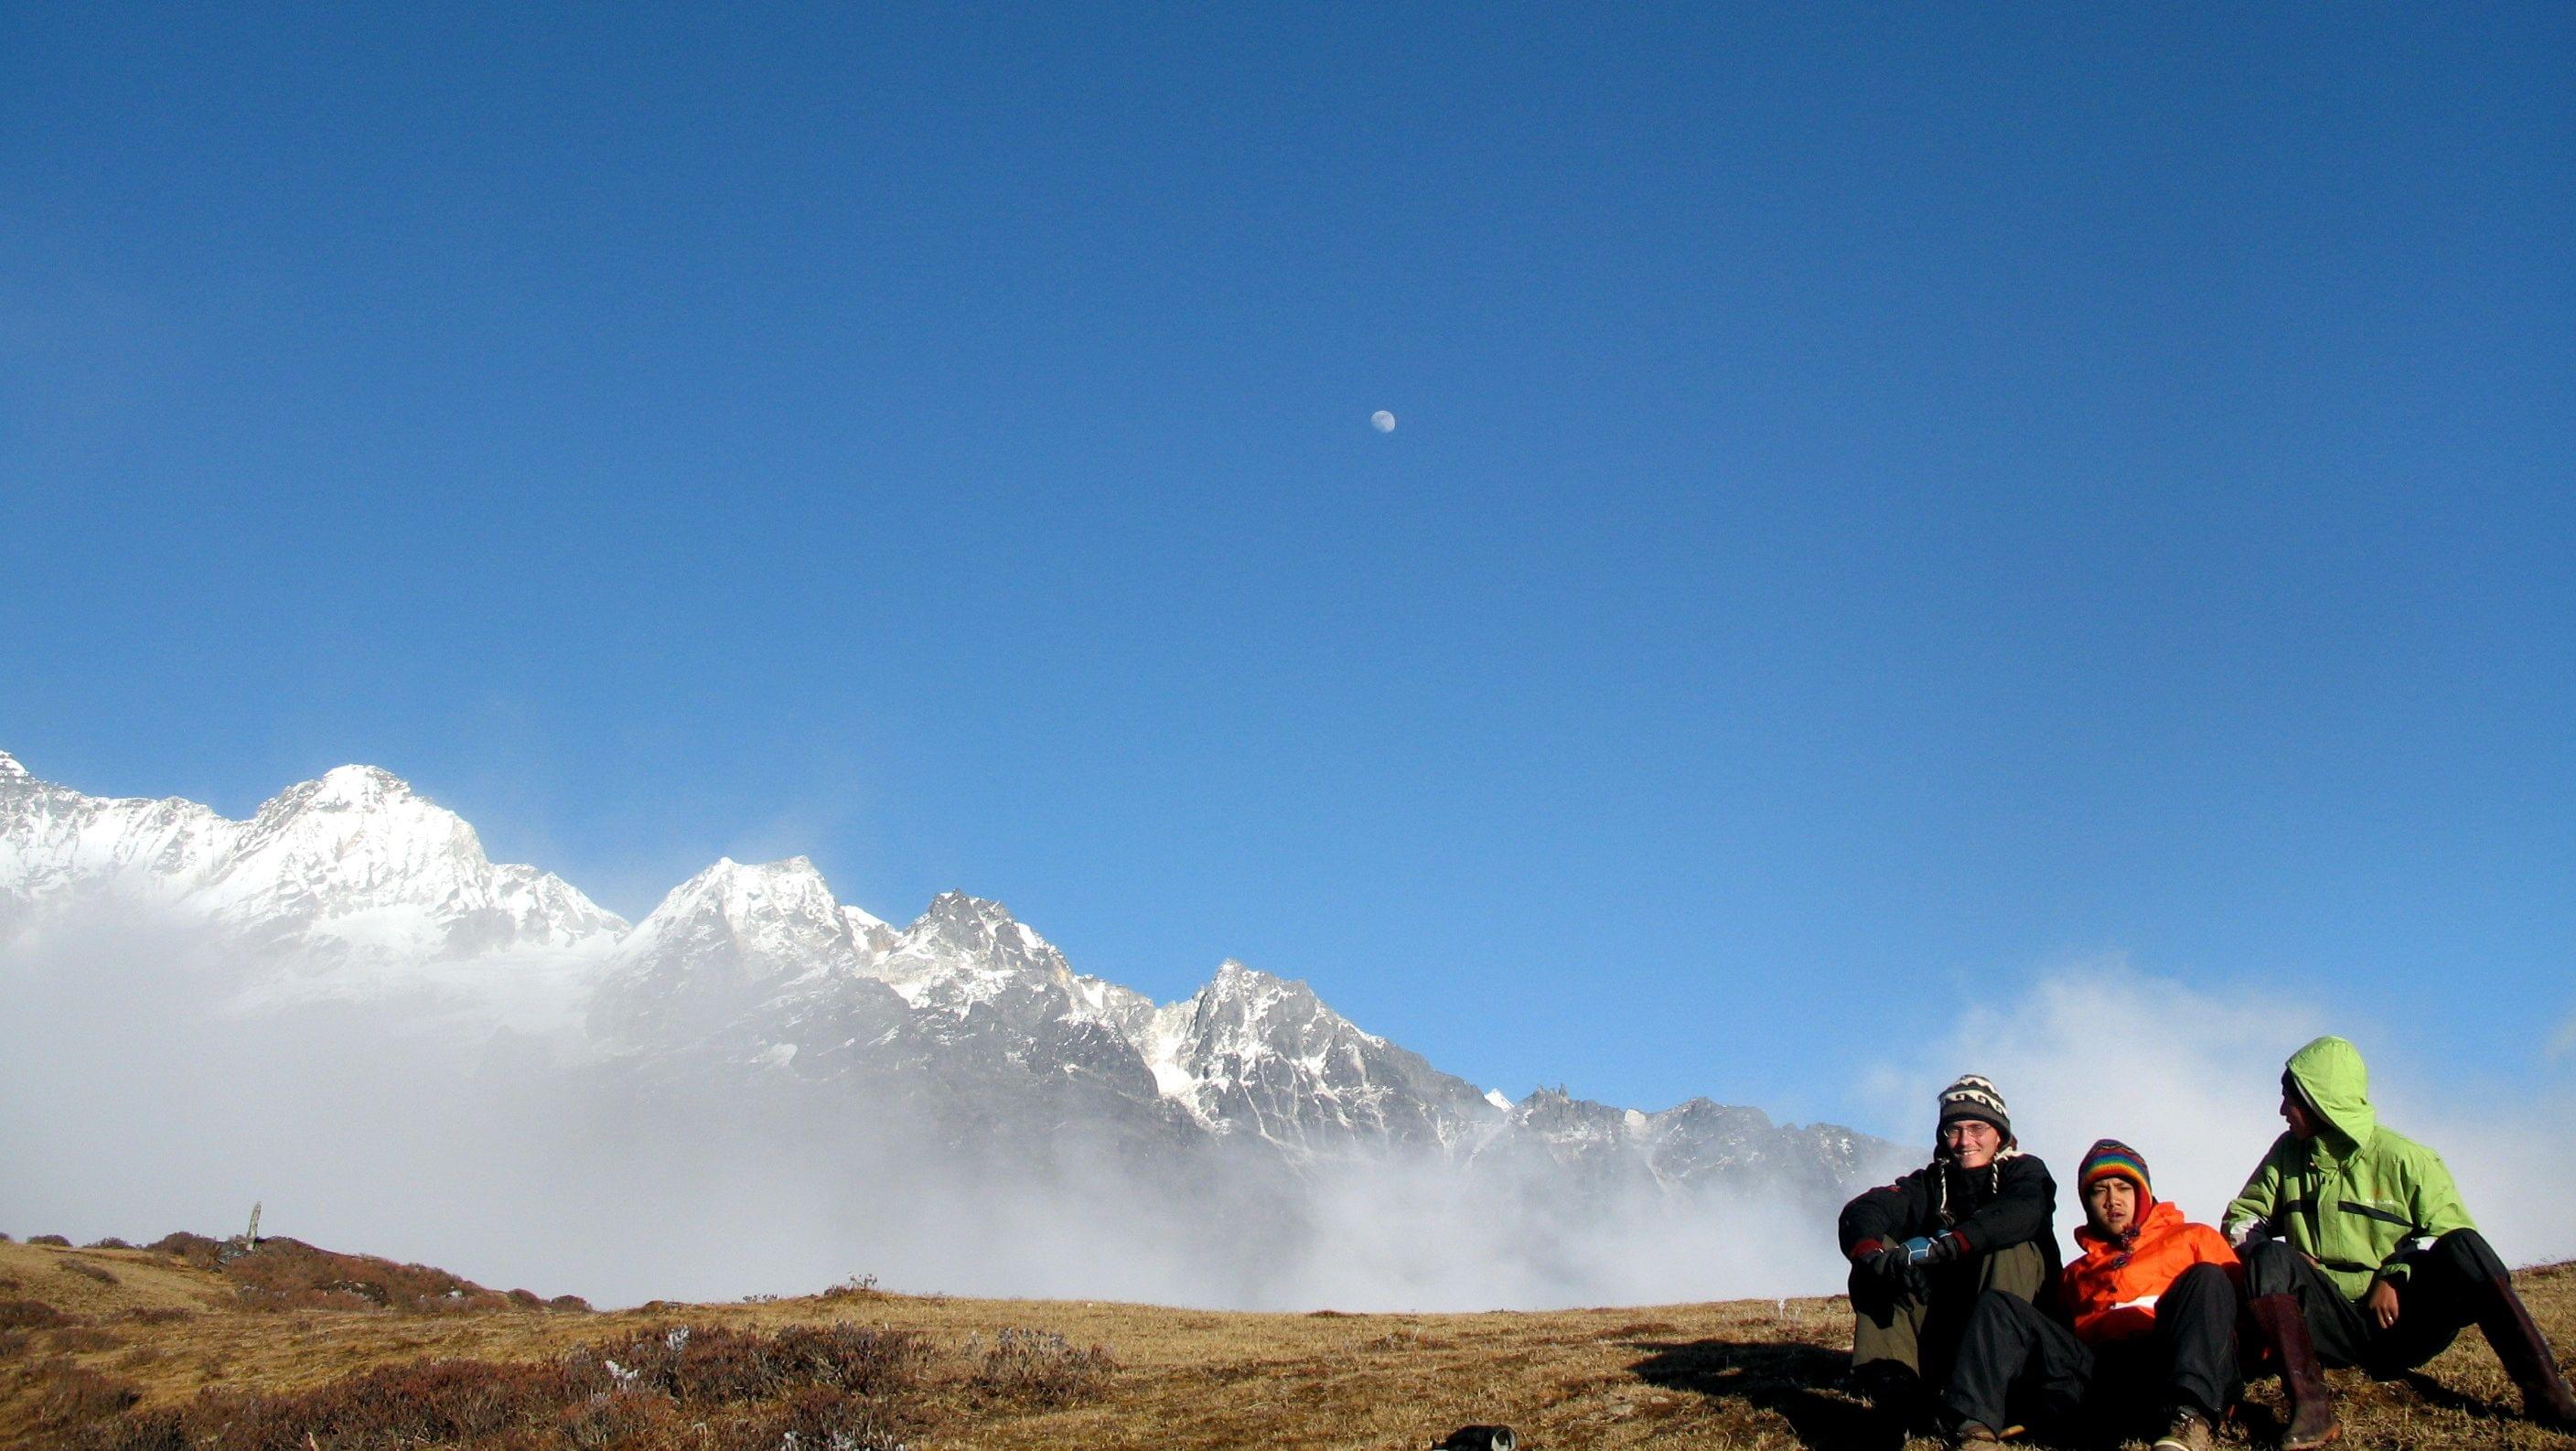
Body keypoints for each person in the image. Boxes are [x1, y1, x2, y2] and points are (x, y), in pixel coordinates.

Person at [2226, 1035, 2576, 1447]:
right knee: (2268, 1256)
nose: (2283, 1111)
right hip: (2329, 1323)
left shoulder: (2406, 1158)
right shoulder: (2287, 1154)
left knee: (2467, 1246)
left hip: (2405, 1321)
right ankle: (2312, 1409)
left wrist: (2395, 1272)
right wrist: (2284, 1254)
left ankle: (2548, 1394)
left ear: (2322, 1101)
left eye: (2292, 1099)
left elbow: (2448, 1232)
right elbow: (2241, 1219)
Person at [1941, 1139, 2241, 1450]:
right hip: (2101, 1380)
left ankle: (2190, 1421)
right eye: (2099, 1191)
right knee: (1998, 1306)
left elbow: (2229, 1308)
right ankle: (1975, 1431)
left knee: (2207, 1276)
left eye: (2123, 1187)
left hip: (2169, 1366)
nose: (2112, 1200)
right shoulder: (2076, 1272)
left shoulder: (2194, 1237)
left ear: (2142, 1193)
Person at [1839, 1074, 2059, 1439]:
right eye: (1954, 1130)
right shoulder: (1929, 1183)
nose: (1964, 1141)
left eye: (1977, 1128)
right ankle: (1896, 1395)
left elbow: (2022, 1213)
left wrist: (1953, 1245)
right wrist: (1873, 1255)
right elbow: (1864, 1209)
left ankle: (1990, 1396)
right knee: (1883, 1259)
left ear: (1999, 1134)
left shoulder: (2025, 1172)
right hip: (1945, 1334)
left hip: (2017, 1344)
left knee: (2013, 1248)